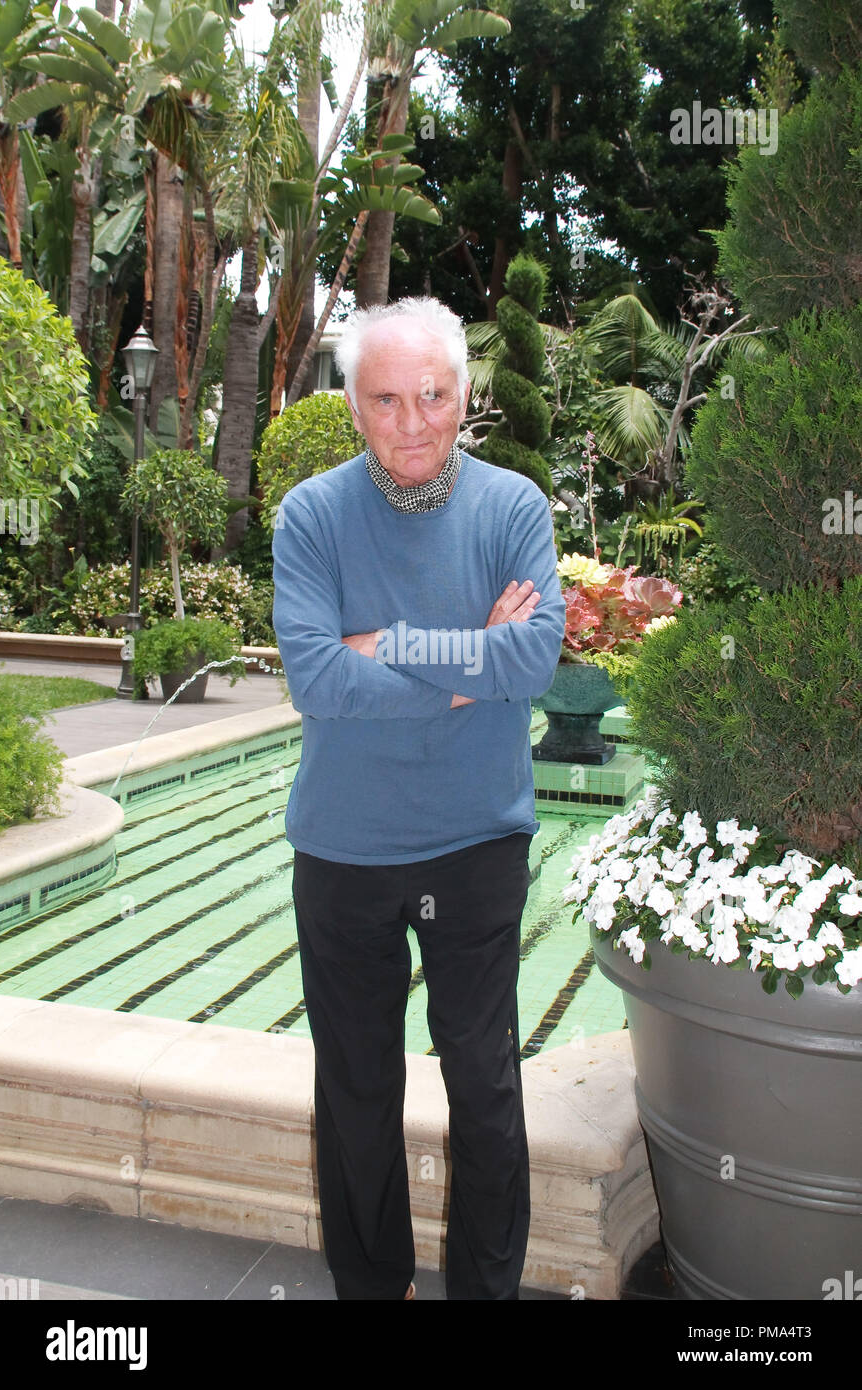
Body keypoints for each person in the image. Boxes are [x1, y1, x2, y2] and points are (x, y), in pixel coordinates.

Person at [271, 296, 566, 1300]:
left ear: (462, 394)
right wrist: (463, 656)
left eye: (431, 394)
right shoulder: (311, 514)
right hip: (343, 850)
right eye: (387, 398)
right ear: (351, 404)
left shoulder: (513, 507)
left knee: (482, 1085)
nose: (412, 421)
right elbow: (314, 679)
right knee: (356, 1086)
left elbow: (529, 658)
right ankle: (373, 1285)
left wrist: (387, 646)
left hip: (472, 842)